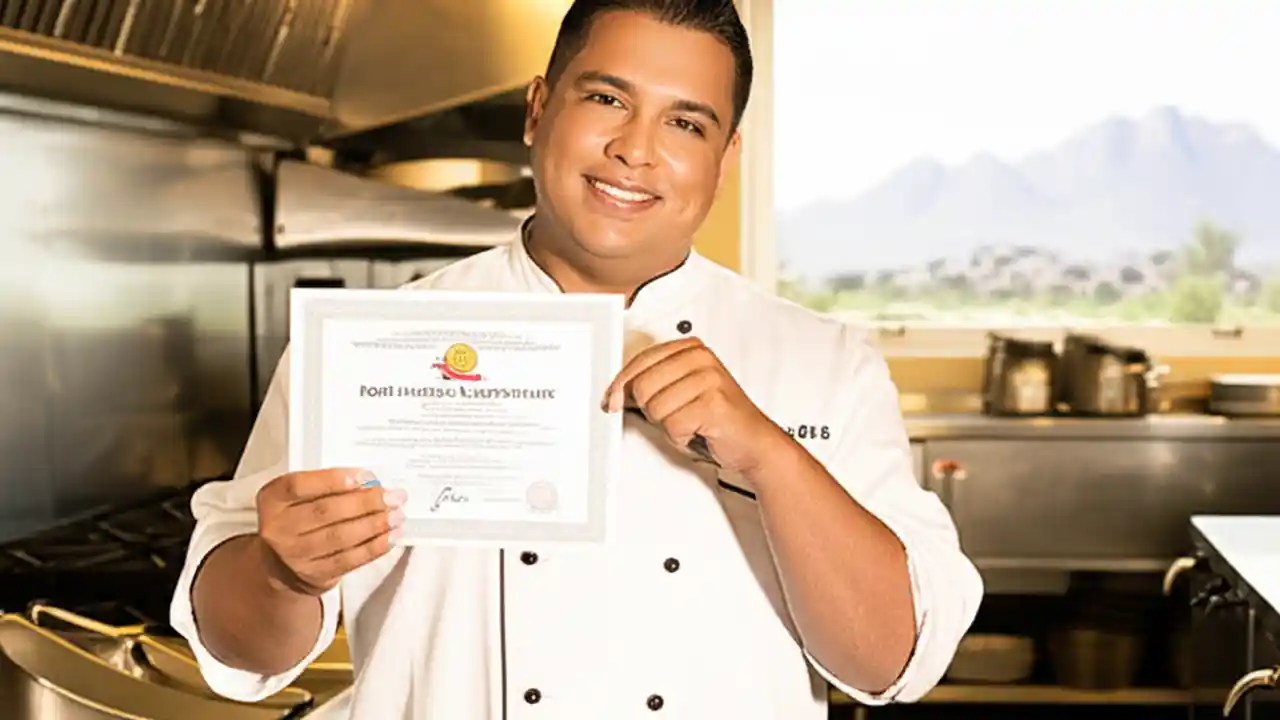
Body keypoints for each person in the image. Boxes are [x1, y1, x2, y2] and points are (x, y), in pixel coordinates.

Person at [170, 1, 983, 718]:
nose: (635, 149)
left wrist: (771, 458)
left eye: (685, 123)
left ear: (724, 162)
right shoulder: (378, 341)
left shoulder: (824, 362)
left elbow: (892, 664)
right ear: (537, 109)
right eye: (606, 99)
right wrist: (283, 572)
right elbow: (246, 653)